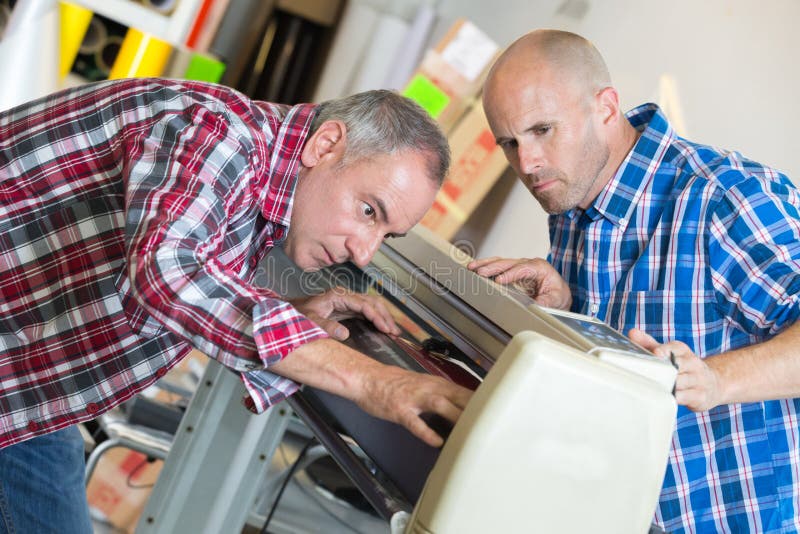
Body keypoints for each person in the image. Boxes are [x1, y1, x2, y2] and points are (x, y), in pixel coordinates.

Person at [0, 78, 472, 533]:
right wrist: (374, 381)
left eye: (386, 235)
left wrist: (289, 313)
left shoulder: (259, 185)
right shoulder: (218, 132)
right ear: (326, 144)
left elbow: (193, 271)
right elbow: (166, 275)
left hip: (24, 392)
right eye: (369, 211)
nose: (364, 251)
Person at [468, 29, 800, 533]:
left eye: (542, 130)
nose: (527, 163)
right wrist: (566, 309)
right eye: (510, 143)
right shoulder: (572, 199)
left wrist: (716, 380)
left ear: (605, 107)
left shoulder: (724, 196)